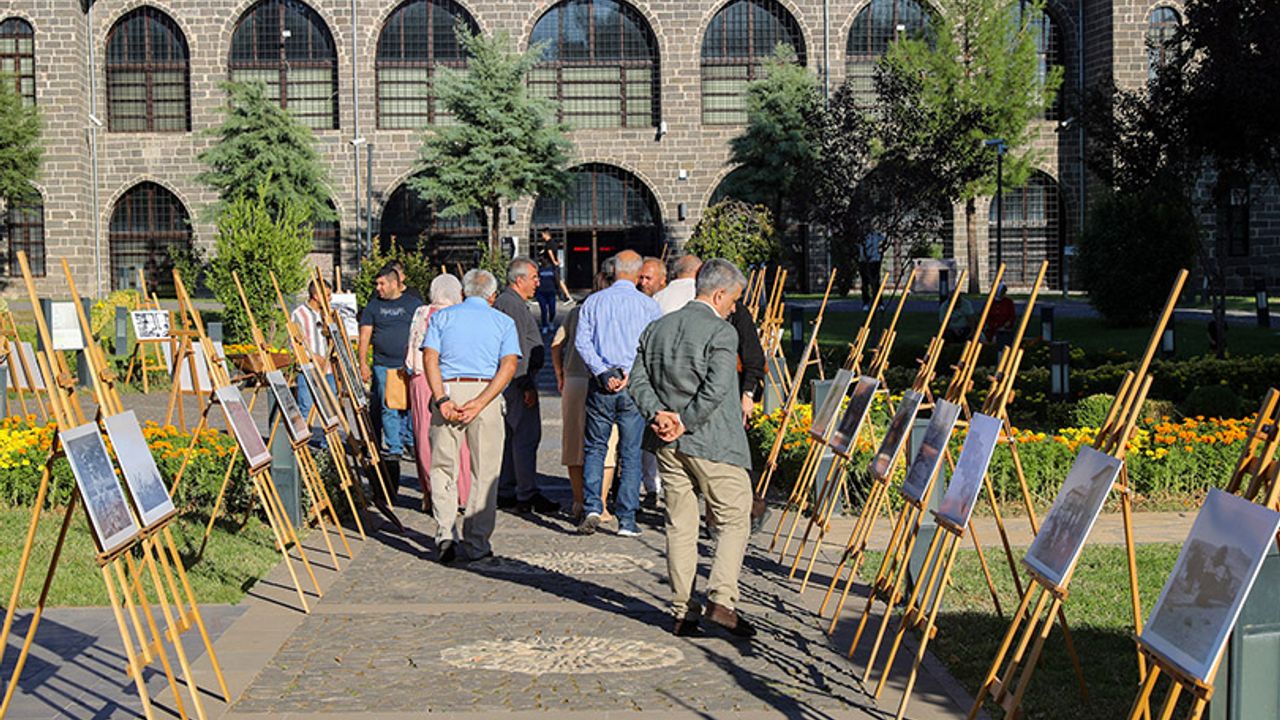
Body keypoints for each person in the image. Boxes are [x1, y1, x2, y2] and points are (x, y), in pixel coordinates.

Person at [628, 258, 757, 638]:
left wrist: (658, 415)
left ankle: (683, 610)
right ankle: (722, 599)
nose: (735, 308)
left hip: (667, 443)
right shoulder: (721, 331)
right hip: (713, 441)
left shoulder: (657, 328)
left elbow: (637, 378)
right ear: (718, 294)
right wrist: (684, 420)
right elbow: (717, 389)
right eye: (733, 300)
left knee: (680, 525)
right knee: (735, 517)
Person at [421, 269, 520, 563]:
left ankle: (445, 532)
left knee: (443, 467)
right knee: (485, 472)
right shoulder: (503, 321)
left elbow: (430, 357)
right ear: (492, 296)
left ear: (463, 293)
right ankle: (477, 541)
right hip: (485, 395)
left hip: (449, 391)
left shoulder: (442, 317)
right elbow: (509, 365)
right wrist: (481, 401)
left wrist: (441, 398)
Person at [574, 250, 661, 537]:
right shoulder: (648, 306)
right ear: (638, 274)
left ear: (613, 271)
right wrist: (627, 373)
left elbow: (582, 342)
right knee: (630, 452)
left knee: (596, 447)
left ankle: (592, 505)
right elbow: (652, 347)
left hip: (601, 385)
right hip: (632, 386)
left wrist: (602, 372)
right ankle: (626, 518)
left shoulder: (593, 302)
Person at [552, 270, 620, 522]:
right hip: (605, 380)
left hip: (574, 380)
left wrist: (560, 374)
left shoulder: (578, 311)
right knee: (607, 441)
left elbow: (556, 343)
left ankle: (579, 500)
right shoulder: (614, 312)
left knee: (574, 442)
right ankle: (600, 503)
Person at [494, 257, 557, 514]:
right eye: (534, 278)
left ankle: (509, 488)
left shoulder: (511, 303)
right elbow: (517, 349)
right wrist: (527, 383)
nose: (538, 282)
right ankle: (525, 492)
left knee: (512, 438)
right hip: (518, 383)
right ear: (519, 280)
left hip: (514, 381)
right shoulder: (512, 305)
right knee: (525, 437)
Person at [406, 274, 471, 513]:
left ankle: (431, 493)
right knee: (458, 437)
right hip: (451, 379)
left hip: (421, 379)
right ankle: (461, 492)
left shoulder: (421, 313)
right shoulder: (459, 314)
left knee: (425, 437)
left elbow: (412, 347)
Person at [358, 264, 423, 463]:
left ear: (394, 283)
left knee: (409, 405)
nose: (378, 287)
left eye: (382, 283)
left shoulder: (413, 304)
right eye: (377, 283)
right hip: (383, 364)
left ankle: (410, 442)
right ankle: (394, 446)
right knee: (389, 404)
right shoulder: (374, 306)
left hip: (407, 364)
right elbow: (365, 335)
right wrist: (363, 363)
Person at [291, 280, 334, 437]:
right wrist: (313, 357)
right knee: (306, 407)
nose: (330, 299)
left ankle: (328, 445)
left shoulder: (328, 314)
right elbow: (295, 344)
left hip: (328, 370)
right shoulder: (299, 314)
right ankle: (303, 445)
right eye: (327, 295)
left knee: (330, 409)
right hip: (308, 369)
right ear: (316, 296)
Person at [535, 253, 560, 334]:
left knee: (552, 309)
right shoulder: (539, 270)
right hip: (541, 292)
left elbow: (556, 280)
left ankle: (551, 321)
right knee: (543, 310)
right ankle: (544, 325)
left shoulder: (552, 269)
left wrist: (558, 290)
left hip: (551, 292)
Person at [861, 231, 884, 311]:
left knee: (876, 282)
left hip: (875, 260)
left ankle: (879, 303)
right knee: (865, 283)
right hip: (864, 261)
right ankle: (866, 303)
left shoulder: (876, 235)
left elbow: (883, 240)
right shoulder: (861, 236)